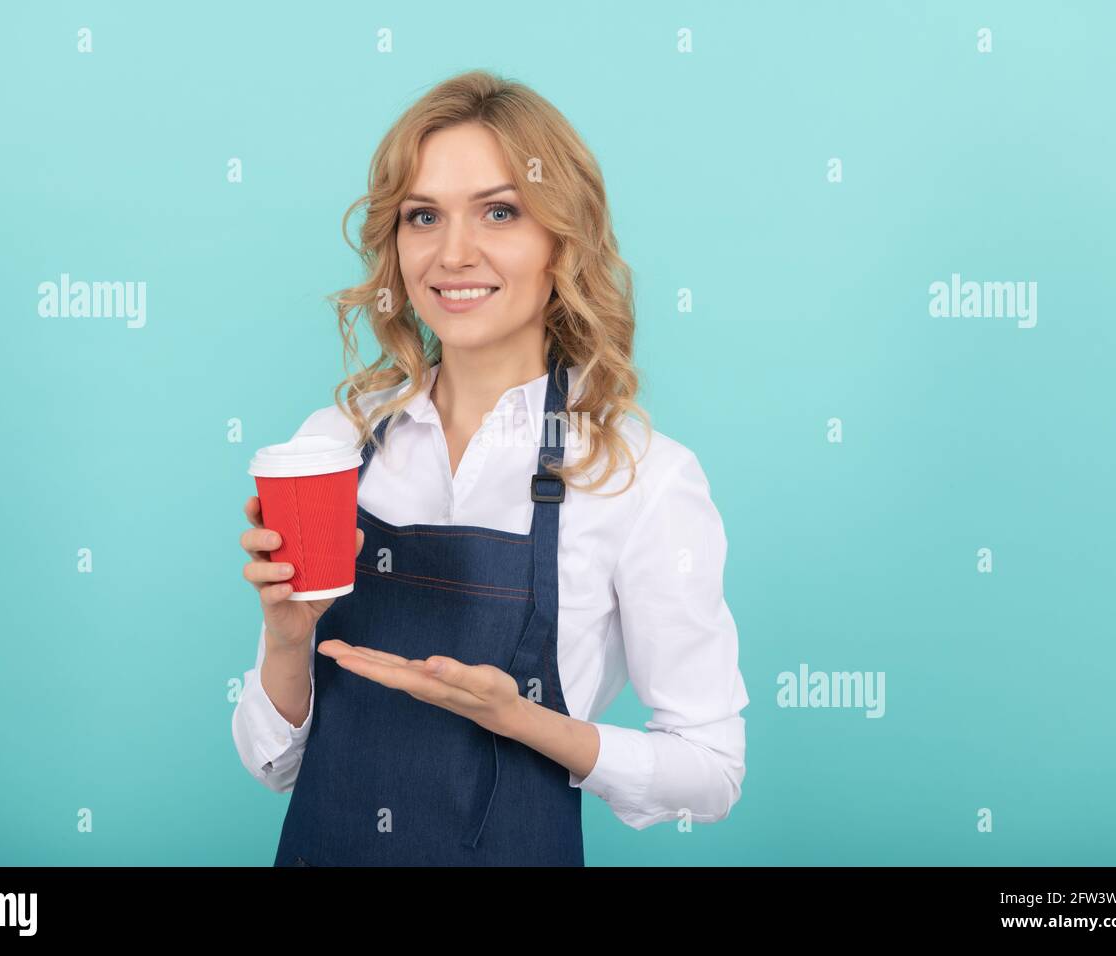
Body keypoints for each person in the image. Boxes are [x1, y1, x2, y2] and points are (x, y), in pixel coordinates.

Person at [231, 70, 749, 866]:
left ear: (561, 241)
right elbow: (274, 766)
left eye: (499, 212)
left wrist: (521, 720)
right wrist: (287, 638)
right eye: (423, 216)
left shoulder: (640, 478)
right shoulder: (335, 445)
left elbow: (711, 773)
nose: (453, 253)